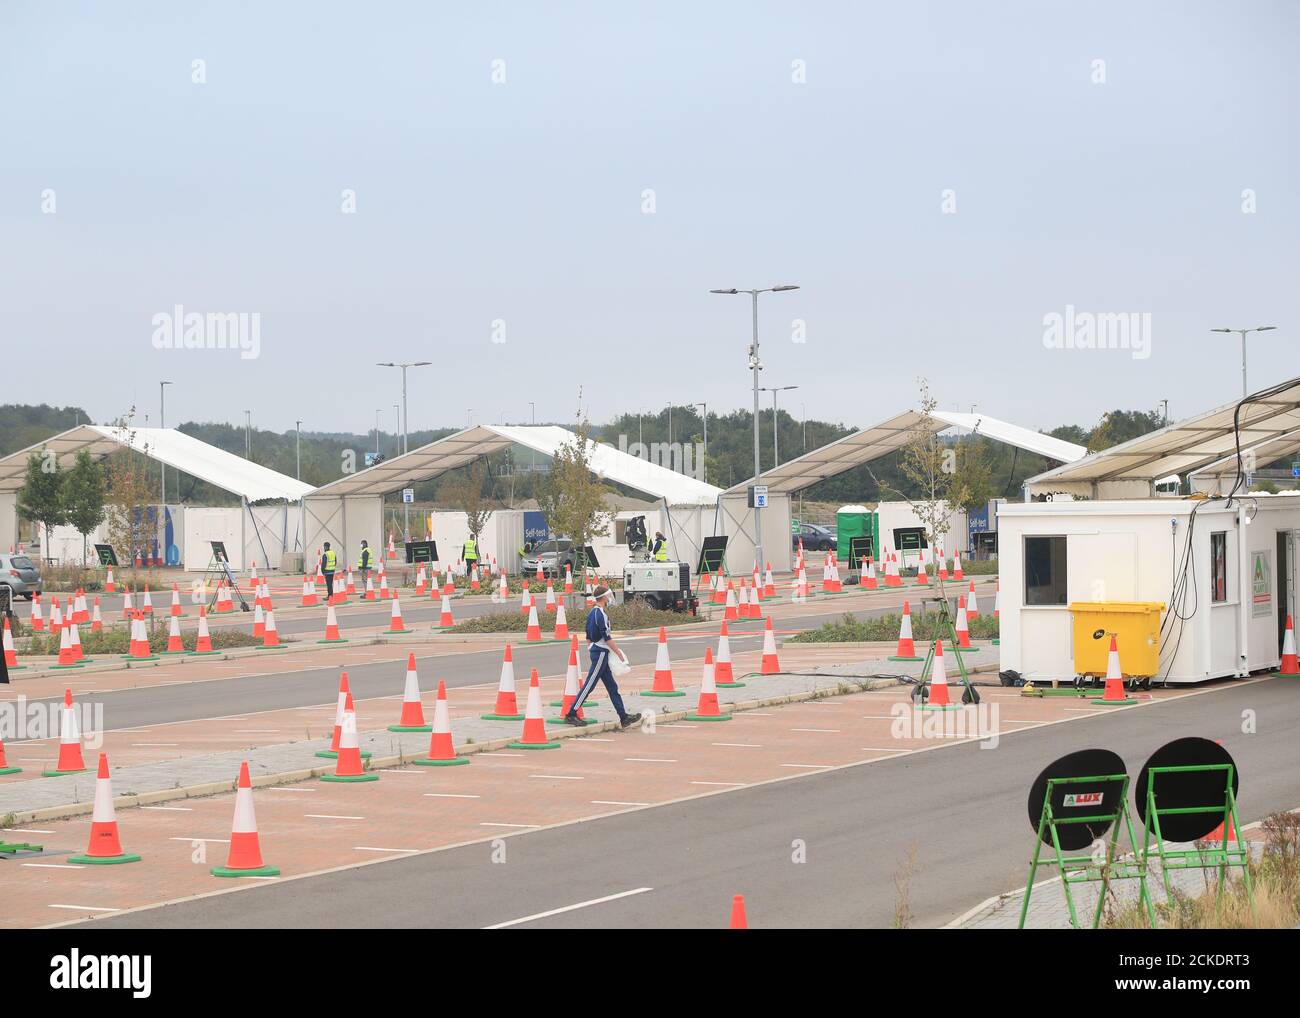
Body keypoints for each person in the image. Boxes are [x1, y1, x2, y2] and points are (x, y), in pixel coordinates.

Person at [566, 585, 641, 729]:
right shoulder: (600, 614)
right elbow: (606, 637)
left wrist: (591, 647)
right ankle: (571, 713)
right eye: (608, 596)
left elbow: (588, 635)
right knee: (590, 684)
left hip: (598, 651)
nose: (609, 598)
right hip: (601, 652)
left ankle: (623, 717)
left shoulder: (593, 613)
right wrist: (618, 652)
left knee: (612, 687)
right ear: (604, 597)